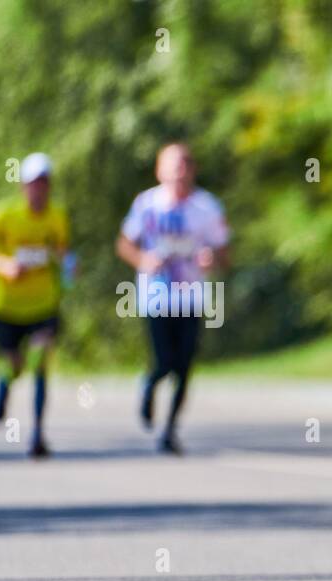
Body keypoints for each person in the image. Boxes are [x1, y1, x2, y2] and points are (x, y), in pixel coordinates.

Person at [115, 143, 229, 454]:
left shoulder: (208, 208)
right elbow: (124, 244)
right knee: (164, 361)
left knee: (184, 367)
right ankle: (149, 385)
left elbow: (224, 253)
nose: (178, 173)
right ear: (160, 171)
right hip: (157, 295)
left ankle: (169, 430)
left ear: (192, 171)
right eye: (172, 167)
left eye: (184, 167)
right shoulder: (147, 204)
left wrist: (212, 259)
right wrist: (142, 260)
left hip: (191, 297)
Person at [0, 153, 70, 458]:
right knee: (14, 364)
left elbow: (64, 255)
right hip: (6, 306)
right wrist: (4, 266)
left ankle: (38, 434)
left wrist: (70, 270)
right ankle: (3, 388)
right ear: (23, 185)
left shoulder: (56, 216)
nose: (39, 189)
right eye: (33, 183)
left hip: (43, 304)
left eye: (44, 183)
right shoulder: (4, 214)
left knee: (40, 362)